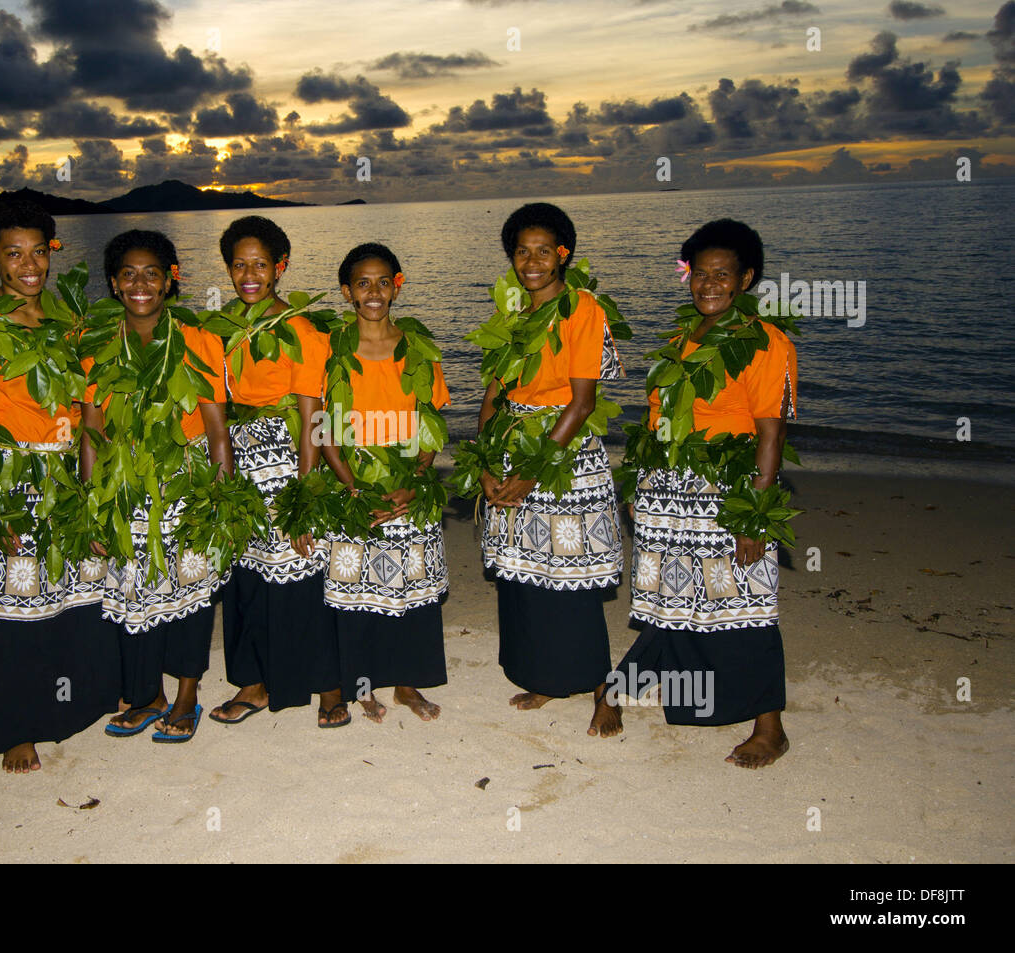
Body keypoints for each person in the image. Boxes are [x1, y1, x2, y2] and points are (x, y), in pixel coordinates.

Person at [597, 218, 797, 769]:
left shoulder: (764, 342)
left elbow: (771, 433)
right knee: (672, 604)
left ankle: (770, 728)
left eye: (722, 274)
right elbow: (659, 420)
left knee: (747, 606)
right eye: (699, 273)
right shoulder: (683, 338)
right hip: (670, 488)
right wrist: (641, 484)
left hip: (731, 491)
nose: (708, 283)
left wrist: (755, 515)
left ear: (746, 278)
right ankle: (618, 688)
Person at [0, 198, 120, 773]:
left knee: (83, 593)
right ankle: (19, 729)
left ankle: (88, 700)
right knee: (19, 606)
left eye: (38, 252)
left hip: (73, 471)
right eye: (13, 253)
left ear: (52, 253)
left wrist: (94, 490)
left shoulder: (73, 321)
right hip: (15, 476)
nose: (29, 265)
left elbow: (92, 413)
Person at [476, 202, 626, 735]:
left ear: (564, 254)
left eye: (544, 251)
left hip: (561, 456)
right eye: (522, 251)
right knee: (527, 578)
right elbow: (494, 393)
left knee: (573, 580)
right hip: (513, 447)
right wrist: (488, 462)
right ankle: (544, 677)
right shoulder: (513, 313)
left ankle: (603, 692)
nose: (532, 261)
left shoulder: (582, 309)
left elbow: (582, 402)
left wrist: (534, 472)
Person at [82, 230, 231, 743]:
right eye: (128, 273)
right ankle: (148, 696)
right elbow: (92, 433)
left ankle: (187, 696)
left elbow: (216, 428)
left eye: (152, 272)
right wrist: (92, 503)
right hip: (125, 485)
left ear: (171, 280)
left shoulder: (199, 339)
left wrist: (219, 497)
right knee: (134, 592)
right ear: (113, 284)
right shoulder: (98, 348)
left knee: (192, 590)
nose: (140, 283)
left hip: (186, 480)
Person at [206, 216, 346, 728]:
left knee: (300, 576)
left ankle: (329, 686)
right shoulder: (224, 328)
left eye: (260, 264)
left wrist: (303, 496)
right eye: (238, 264)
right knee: (247, 580)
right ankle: (255, 682)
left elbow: (313, 416)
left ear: (280, 267)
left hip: (288, 460)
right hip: (241, 461)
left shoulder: (301, 330)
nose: (248, 274)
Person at [319, 243, 448, 722]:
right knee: (358, 590)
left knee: (410, 589)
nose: (373, 292)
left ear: (398, 284)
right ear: (346, 291)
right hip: (351, 483)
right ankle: (363, 685)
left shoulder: (417, 347)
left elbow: (431, 425)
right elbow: (324, 428)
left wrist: (414, 481)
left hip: (406, 483)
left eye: (382, 281)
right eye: (362, 283)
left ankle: (408, 684)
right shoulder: (331, 348)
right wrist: (351, 486)